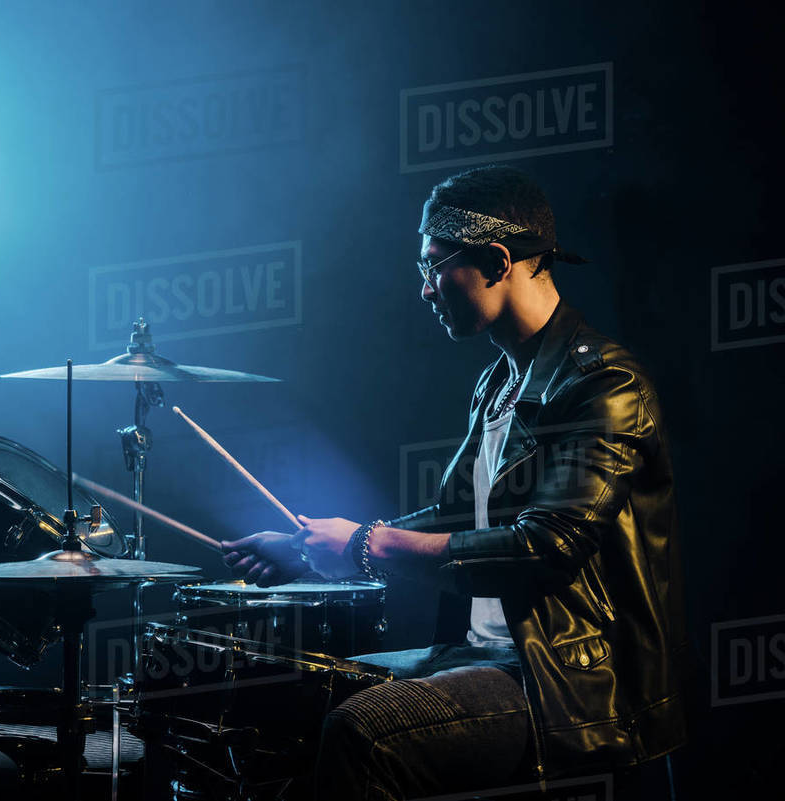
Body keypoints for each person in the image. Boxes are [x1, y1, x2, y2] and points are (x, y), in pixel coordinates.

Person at [221, 165, 687, 799]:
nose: (425, 290)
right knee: (293, 699)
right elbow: (452, 518)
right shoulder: (498, 384)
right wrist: (309, 547)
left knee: (364, 733)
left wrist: (366, 543)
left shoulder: (605, 384)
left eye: (434, 266)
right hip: (483, 661)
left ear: (497, 261)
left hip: (564, 683)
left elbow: (547, 545)